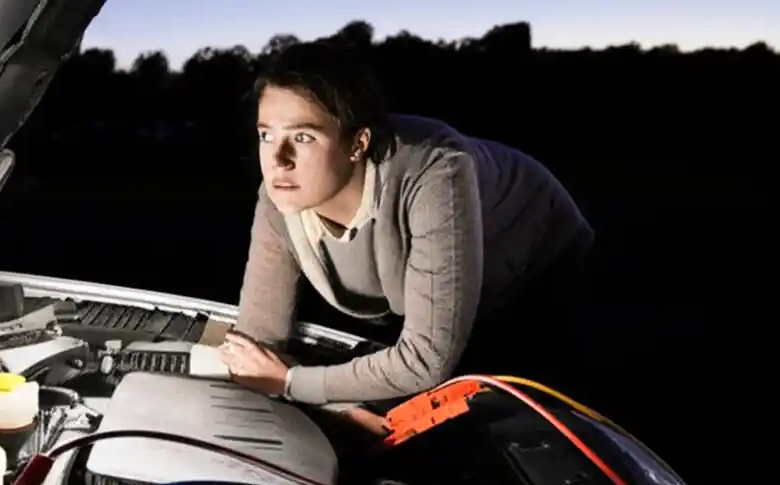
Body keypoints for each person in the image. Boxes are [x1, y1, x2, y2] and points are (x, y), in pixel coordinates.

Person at [219, 40, 595, 411]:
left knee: (520, 412)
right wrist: (329, 400)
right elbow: (257, 343)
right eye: (266, 135)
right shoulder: (278, 196)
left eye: (303, 137)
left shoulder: (437, 171)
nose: (278, 160)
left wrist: (292, 382)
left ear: (357, 144)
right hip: (403, 287)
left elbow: (425, 360)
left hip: (536, 258)